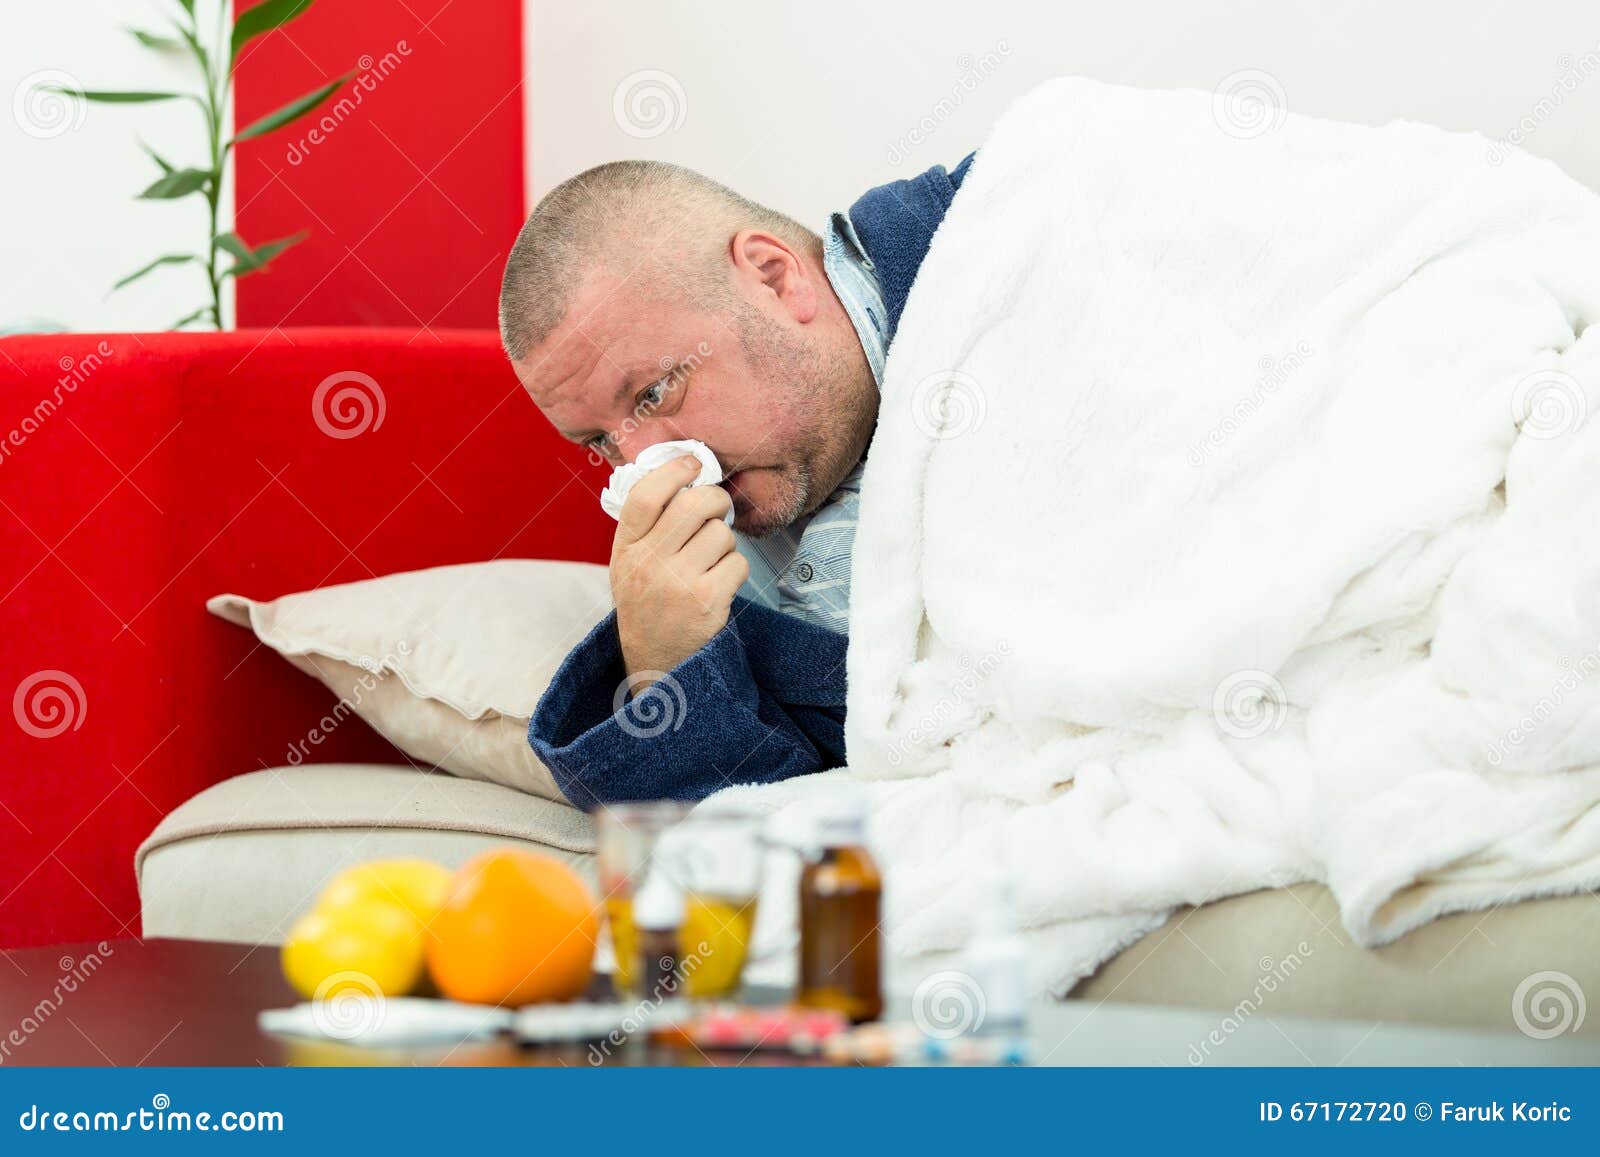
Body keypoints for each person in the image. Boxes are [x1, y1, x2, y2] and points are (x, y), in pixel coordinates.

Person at [498, 155, 974, 807]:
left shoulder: (1009, 230)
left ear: (775, 278)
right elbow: (758, 820)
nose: (657, 466)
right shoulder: (718, 587)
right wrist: (667, 669)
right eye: (601, 442)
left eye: (656, 390)